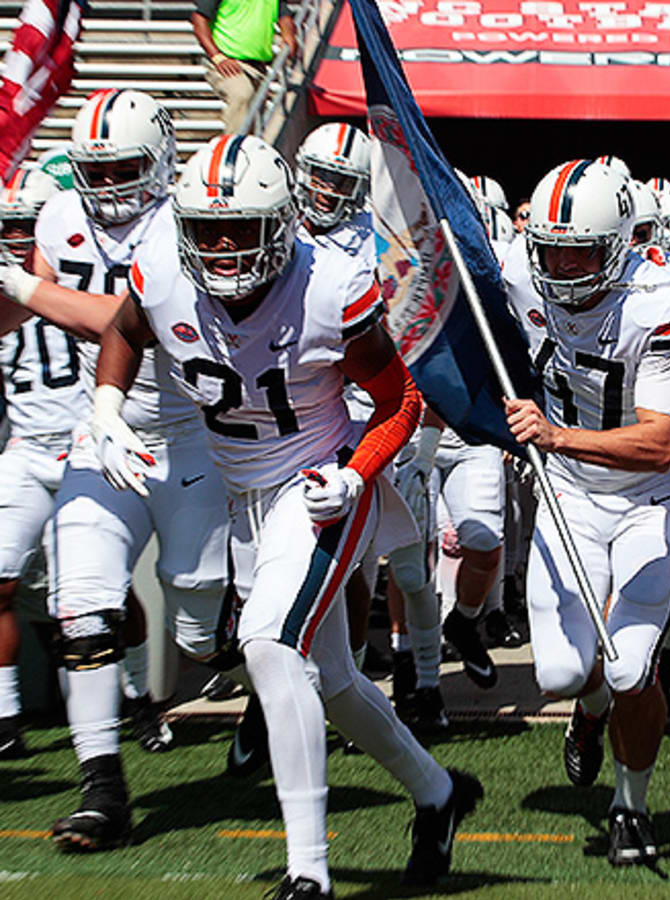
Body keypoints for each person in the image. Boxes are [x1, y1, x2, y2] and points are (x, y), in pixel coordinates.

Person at [93, 133, 481, 899]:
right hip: (241, 497)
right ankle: (439, 794)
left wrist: (355, 474)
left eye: (241, 228)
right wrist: (106, 408)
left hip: (317, 487)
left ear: (285, 223)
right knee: (332, 682)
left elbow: (399, 400)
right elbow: (122, 331)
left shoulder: (330, 285)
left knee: (268, 645)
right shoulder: (164, 272)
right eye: (207, 231)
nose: (225, 248)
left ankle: (309, 872)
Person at [0, 89, 232, 852]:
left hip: (192, 440)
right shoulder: (62, 217)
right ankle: (103, 787)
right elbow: (24, 309)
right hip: (100, 434)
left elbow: (132, 323)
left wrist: (23, 285)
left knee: (198, 627)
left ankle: (240, 663)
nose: (108, 188)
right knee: (81, 607)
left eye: (124, 168)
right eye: (95, 170)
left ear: (161, 158)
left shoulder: (189, 222)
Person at [503, 158, 670, 867]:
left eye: (578, 249)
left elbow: (659, 443)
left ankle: (632, 805)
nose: (559, 264)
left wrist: (555, 434)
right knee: (563, 675)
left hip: (645, 500)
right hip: (568, 494)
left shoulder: (657, 299)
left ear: (618, 243)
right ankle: (587, 719)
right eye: (549, 248)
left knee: (629, 668)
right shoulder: (520, 274)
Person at [0, 166, 72, 759]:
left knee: (96, 598)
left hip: (86, 449)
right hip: (25, 448)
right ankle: (5, 719)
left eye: (28, 225)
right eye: (9, 226)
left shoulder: (84, 272)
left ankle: (135, 702)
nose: (18, 236)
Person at [191, 0, 298, 132]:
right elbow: (199, 18)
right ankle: (234, 148)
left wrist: (288, 33)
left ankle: (245, 147)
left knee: (254, 117)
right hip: (227, 61)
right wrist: (217, 56)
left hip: (258, 66)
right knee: (242, 95)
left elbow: (284, 15)